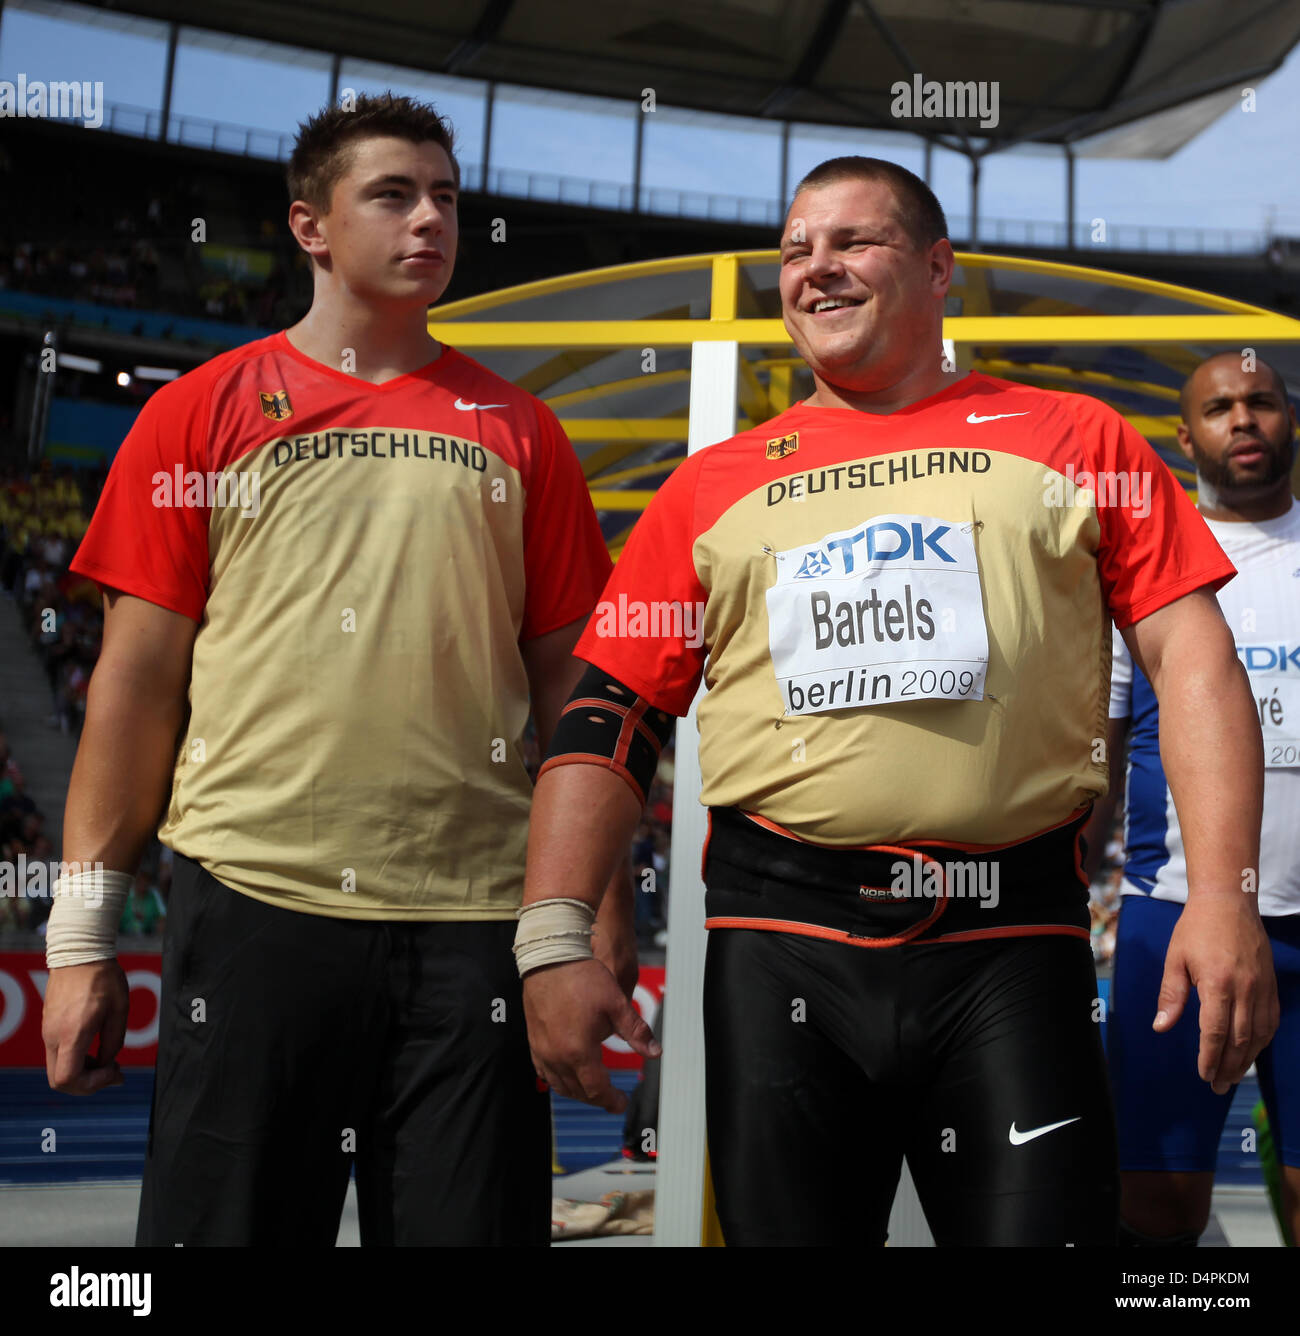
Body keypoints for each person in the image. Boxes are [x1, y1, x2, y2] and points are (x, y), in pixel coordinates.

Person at [513, 156, 1278, 1246]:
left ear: (937, 267)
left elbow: (1193, 662)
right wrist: (553, 939)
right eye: (793, 250)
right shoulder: (706, 486)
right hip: (779, 944)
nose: (815, 268)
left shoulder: (1076, 438)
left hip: (1008, 945)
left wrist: (1221, 894)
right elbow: (608, 717)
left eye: (851, 242)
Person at [40, 93, 631, 1247]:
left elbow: (577, 696)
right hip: (255, 902)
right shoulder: (194, 415)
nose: (431, 221)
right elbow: (133, 688)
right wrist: (77, 944)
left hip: (479, 922)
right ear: (310, 226)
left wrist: (588, 909)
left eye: (447, 198)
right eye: (394, 195)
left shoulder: (522, 431)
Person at [1085, 351, 1299, 1246]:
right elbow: (1092, 752)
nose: (1242, 420)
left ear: (1293, 419)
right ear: (1186, 435)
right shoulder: (1142, 566)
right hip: (1171, 923)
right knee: (1159, 1208)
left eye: (1261, 402)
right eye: (1219, 408)